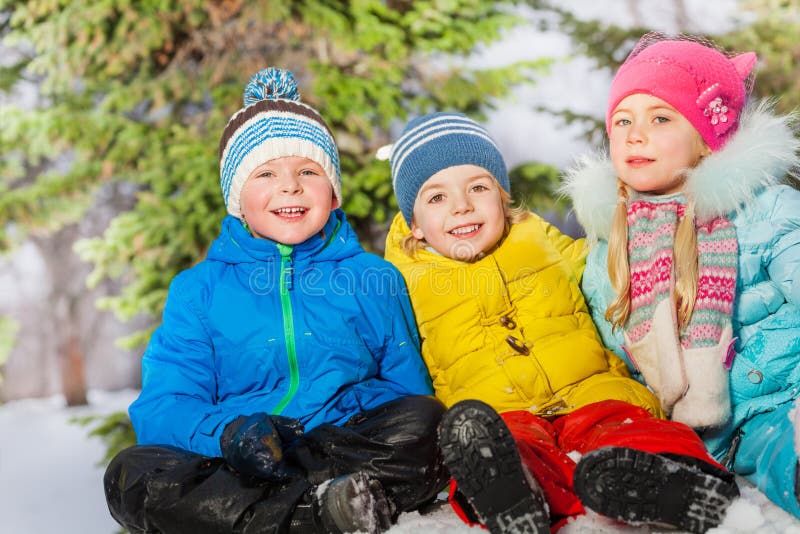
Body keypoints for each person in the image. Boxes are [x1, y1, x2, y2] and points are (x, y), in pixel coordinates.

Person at [103, 67, 448, 534]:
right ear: (237, 198)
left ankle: (319, 505)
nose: (291, 186)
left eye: (309, 170)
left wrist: (342, 416)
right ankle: (309, 516)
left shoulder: (372, 278)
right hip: (241, 460)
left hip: (342, 443)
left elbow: (409, 385)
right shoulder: (198, 291)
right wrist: (229, 433)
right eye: (266, 173)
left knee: (424, 421)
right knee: (131, 474)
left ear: (332, 192)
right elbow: (165, 404)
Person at [382, 111, 740, 534]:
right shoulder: (400, 280)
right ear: (414, 224)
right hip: (501, 410)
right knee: (501, 447)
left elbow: (604, 268)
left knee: (631, 429)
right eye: (436, 197)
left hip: (591, 388)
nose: (462, 205)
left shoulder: (539, 239)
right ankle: (514, 494)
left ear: (502, 197)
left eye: (478, 187)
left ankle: (675, 479)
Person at [561, 32, 800, 520]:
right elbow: (612, 338)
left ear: (707, 138)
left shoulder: (765, 210)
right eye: (622, 121)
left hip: (773, 398)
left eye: (661, 118)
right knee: (644, 449)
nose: (634, 134)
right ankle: (673, 491)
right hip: (677, 425)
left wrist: (748, 374)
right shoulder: (613, 238)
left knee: (786, 448)